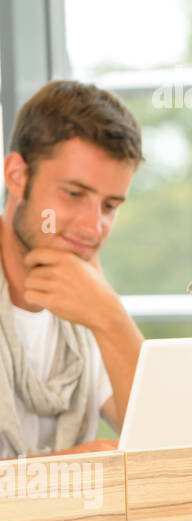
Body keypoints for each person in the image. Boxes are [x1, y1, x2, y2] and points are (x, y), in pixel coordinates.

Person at [0, 80, 145, 459]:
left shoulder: (88, 301)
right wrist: (67, 470)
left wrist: (111, 318)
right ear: (17, 176)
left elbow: (165, 437)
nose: (92, 226)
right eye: (74, 194)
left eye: (109, 205)